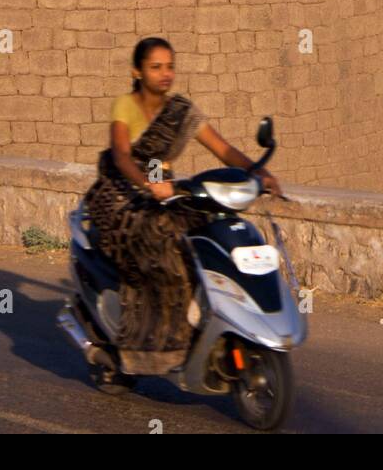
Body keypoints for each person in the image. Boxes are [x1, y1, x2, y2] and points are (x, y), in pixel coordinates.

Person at [82, 37, 284, 374]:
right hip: (119, 197)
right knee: (161, 244)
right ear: (137, 71)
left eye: (170, 66)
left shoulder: (182, 111)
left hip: (165, 192)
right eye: (156, 67)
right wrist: (146, 184)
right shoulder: (125, 106)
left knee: (212, 225)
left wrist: (258, 173)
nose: (165, 74)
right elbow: (120, 154)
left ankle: (207, 309)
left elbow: (224, 149)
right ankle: (151, 342)